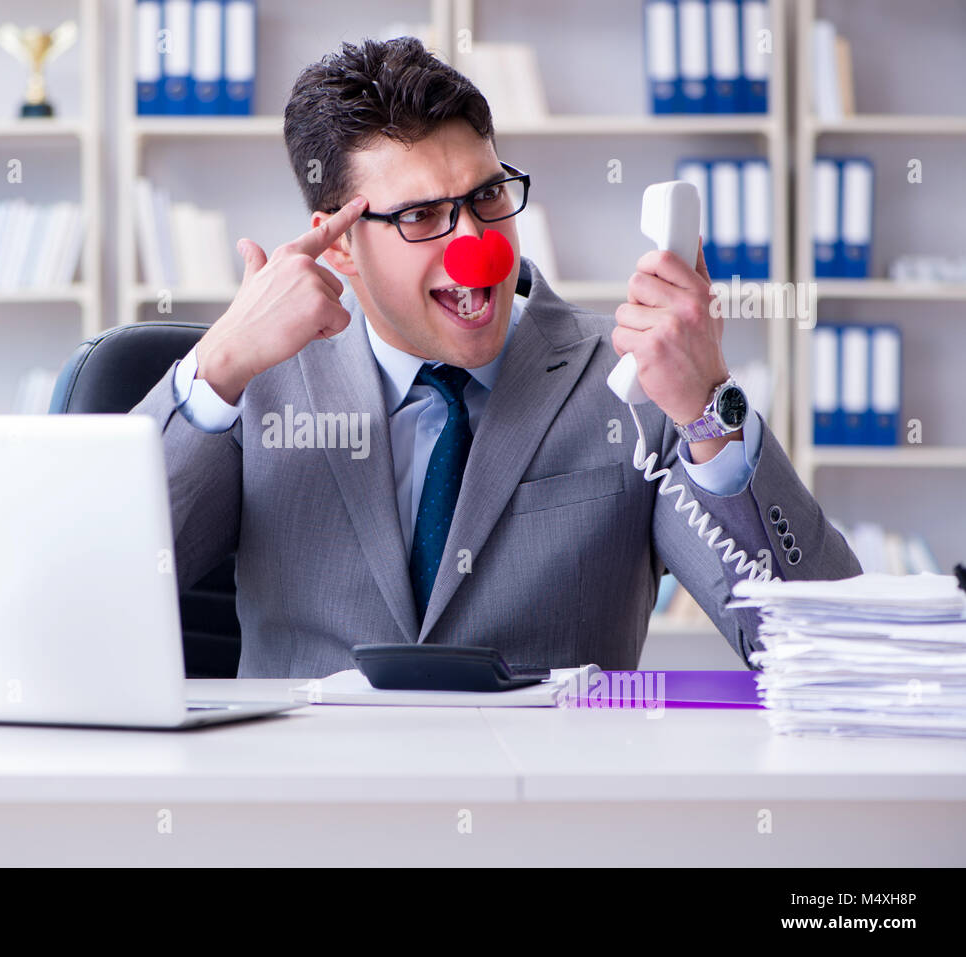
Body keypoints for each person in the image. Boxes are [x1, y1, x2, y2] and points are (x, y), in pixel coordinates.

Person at [132, 36, 861, 678]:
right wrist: (216, 365)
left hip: (545, 816)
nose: (475, 247)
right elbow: (96, 592)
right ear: (342, 245)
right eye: (420, 216)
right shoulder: (255, 384)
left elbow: (822, 653)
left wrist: (711, 409)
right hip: (307, 813)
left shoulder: (635, 382)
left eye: (486, 197)